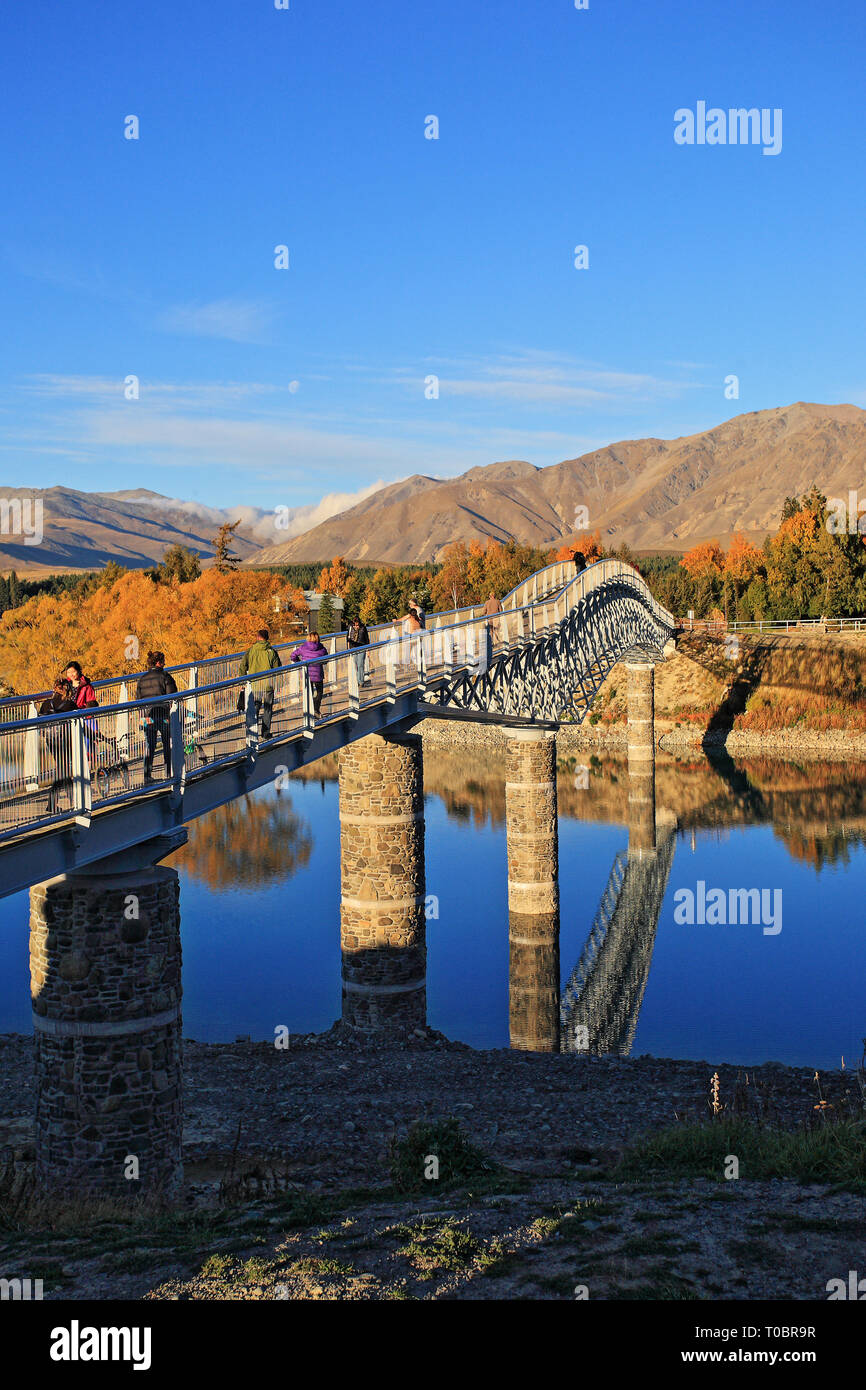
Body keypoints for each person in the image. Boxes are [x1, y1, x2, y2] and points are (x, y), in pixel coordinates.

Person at [136, 651, 178, 783]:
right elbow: (172, 694)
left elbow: (138, 699)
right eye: (163, 661)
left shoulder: (142, 679)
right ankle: (168, 772)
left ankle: (147, 775)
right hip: (163, 714)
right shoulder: (165, 676)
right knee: (167, 743)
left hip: (147, 715)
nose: (165, 664)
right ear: (159, 663)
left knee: (150, 745)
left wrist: (141, 716)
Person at [37, 678, 76, 812]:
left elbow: (40, 723)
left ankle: (73, 799)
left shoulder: (46, 704)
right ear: (67, 690)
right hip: (65, 740)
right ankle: (52, 804)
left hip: (51, 740)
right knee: (62, 769)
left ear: (55, 689)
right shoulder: (69, 704)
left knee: (63, 767)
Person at [238, 628, 281, 739]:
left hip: (255, 684)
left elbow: (243, 666)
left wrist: (243, 681)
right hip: (268, 685)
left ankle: (252, 731)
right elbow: (278, 668)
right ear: (267, 638)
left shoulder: (251, 650)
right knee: (267, 709)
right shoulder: (271, 651)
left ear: (258, 638)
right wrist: (278, 682)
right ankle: (265, 732)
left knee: (255, 707)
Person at [290, 630, 328, 717]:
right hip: (318, 674)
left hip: (307, 674)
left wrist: (300, 663)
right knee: (319, 692)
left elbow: (293, 656)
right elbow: (326, 660)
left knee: (309, 693)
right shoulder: (322, 648)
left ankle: (309, 711)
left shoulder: (303, 647)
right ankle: (316, 709)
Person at [346, 616, 370, 689]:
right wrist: (348, 649)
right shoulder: (350, 627)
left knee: (360, 664)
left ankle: (361, 681)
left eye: (358, 625)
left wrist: (368, 650)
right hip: (353, 648)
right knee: (355, 664)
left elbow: (367, 638)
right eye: (355, 625)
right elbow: (348, 639)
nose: (357, 626)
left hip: (362, 647)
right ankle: (356, 680)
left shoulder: (363, 628)